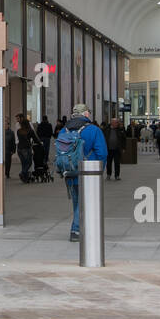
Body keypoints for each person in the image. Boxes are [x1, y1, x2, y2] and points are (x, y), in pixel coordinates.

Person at [55, 103, 107, 242]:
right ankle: (76, 230)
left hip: (70, 171)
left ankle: (82, 227)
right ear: (86, 114)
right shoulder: (94, 130)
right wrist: (99, 171)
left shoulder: (63, 131)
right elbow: (102, 153)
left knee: (78, 202)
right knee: (84, 203)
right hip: (89, 172)